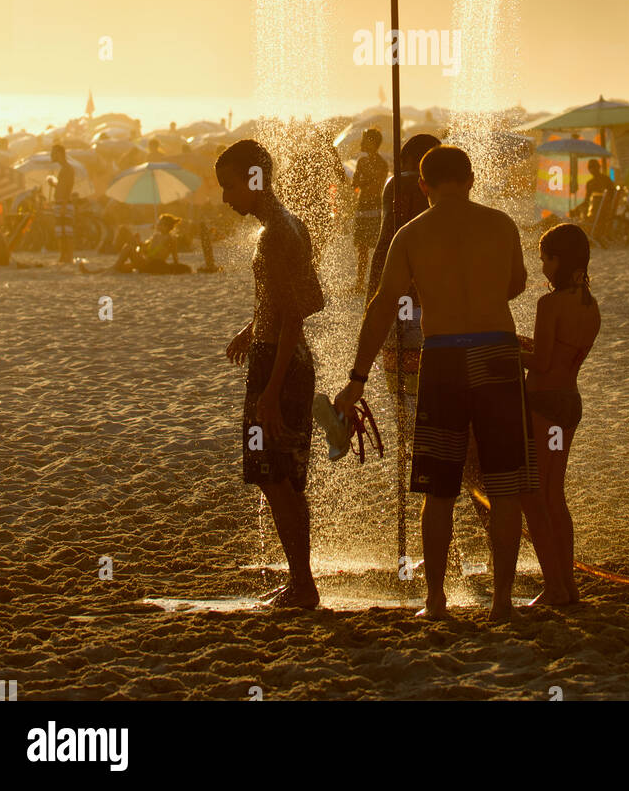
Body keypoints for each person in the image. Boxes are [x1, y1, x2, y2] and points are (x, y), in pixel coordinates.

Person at [335, 145, 537, 621]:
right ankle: (504, 604)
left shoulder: (411, 234)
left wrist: (357, 379)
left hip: (443, 356)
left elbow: (383, 305)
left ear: (422, 186)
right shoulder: (502, 224)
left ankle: (436, 602)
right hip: (497, 354)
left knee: (439, 488)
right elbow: (516, 283)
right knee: (505, 486)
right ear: (470, 179)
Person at [217, 139, 325, 610]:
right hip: (281, 359)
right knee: (279, 477)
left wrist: (272, 390)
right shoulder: (288, 225)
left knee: (277, 478)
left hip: (280, 367)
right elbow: (311, 297)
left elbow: (297, 313)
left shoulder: (277, 233)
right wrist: (254, 323)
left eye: (229, 185)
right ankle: (301, 582)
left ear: (254, 178)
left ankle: (302, 586)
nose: (225, 198)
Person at [518, 224, 600, 604]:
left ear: (559, 260)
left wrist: (505, 350)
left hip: (544, 406)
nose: (543, 269)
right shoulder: (588, 303)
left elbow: (543, 361)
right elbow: (561, 353)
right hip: (569, 402)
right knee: (555, 496)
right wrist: (527, 345)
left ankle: (554, 586)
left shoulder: (548, 304)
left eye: (545, 260)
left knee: (535, 497)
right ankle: (567, 584)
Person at [351, 128, 388, 294]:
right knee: (363, 248)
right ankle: (361, 283)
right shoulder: (369, 163)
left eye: (364, 139)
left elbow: (361, 184)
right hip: (366, 207)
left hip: (371, 208)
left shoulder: (376, 163)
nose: (361, 143)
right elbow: (357, 184)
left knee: (371, 248)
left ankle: (368, 283)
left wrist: (363, 183)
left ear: (372, 142)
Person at [50, 143, 75, 264]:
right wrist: (54, 184)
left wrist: (64, 205)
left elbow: (68, 189)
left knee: (67, 232)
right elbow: (62, 187)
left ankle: (68, 257)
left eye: (53, 153)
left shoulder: (68, 169)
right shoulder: (64, 169)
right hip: (60, 203)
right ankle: (63, 256)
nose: (51, 155)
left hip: (64, 203)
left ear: (59, 154)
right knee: (61, 232)